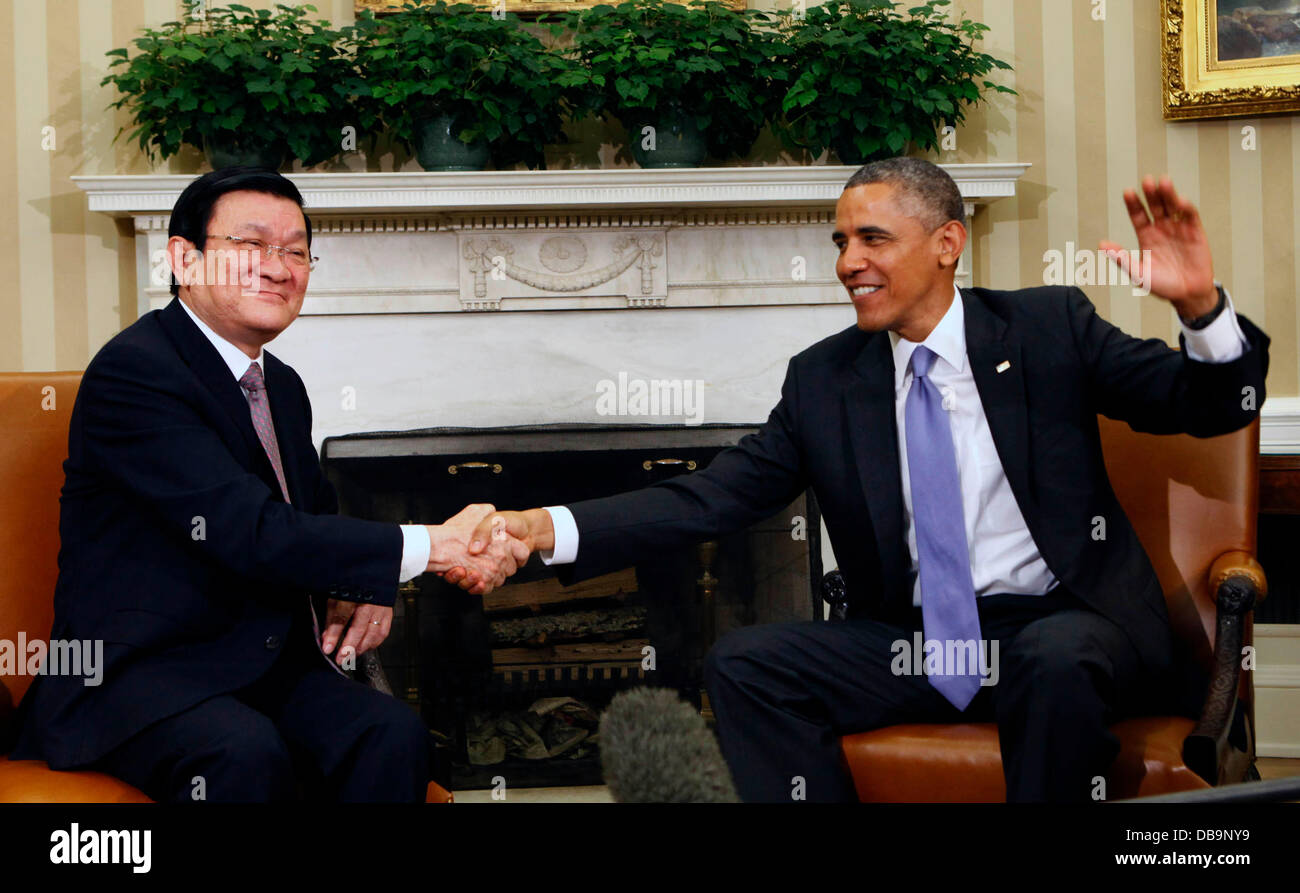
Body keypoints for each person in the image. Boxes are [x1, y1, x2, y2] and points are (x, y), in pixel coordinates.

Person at [452, 157, 1270, 802]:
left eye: (872, 239)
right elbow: (710, 494)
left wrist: (1199, 309)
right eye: (841, 243)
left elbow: (1206, 405)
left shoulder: (1049, 327)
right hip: (919, 643)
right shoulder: (826, 380)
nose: (849, 262)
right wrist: (543, 526)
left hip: (1064, 623)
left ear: (947, 242)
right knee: (745, 663)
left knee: (1051, 659)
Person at [9, 167, 525, 803]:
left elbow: (313, 509)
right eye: (251, 246)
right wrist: (433, 546)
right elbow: (249, 530)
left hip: (258, 664)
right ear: (185, 259)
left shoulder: (280, 384)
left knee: (389, 732)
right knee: (242, 753)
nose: (278, 267)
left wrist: (357, 586)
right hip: (140, 676)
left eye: (294, 250)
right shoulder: (134, 373)